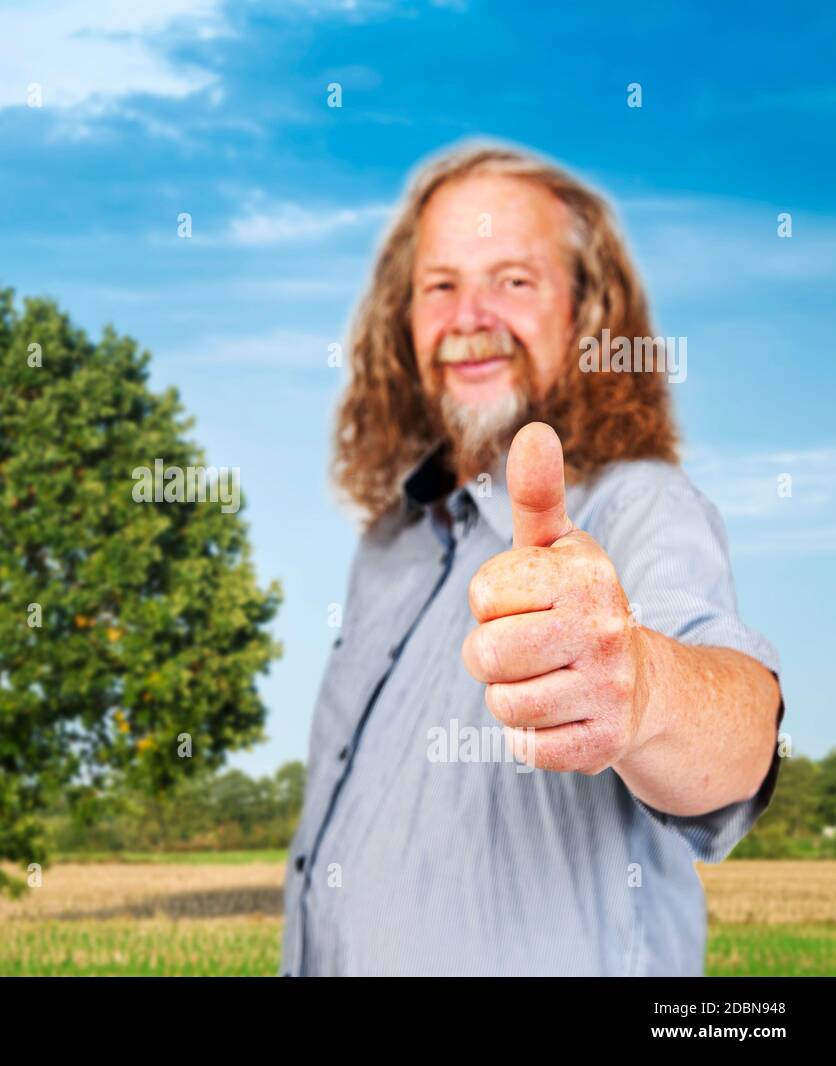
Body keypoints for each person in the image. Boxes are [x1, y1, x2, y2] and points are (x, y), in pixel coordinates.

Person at [280, 143, 784, 976]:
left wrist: (646, 685)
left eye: (513, 280)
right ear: (401, 322)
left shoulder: (635, 503)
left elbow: (740, 751)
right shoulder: (388, 547)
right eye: (440, 286)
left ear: (586, 314)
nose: (469, 315)